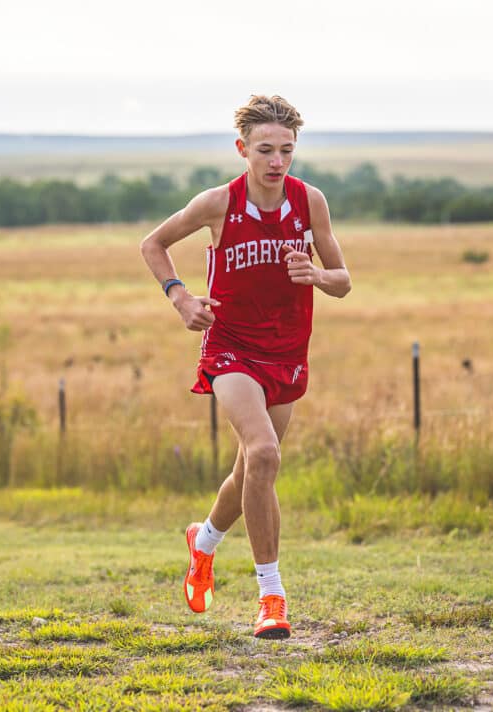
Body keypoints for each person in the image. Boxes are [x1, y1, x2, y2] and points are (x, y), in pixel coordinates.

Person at [139, 95, 351, 639]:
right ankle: (271, 598)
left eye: (286, 150)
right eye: (265, 150)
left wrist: (317, 276)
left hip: (287, 352)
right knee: (264, 452)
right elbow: (154, 244)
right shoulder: (218, 203)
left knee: (251, 471)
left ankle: (203, 541)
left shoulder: (310, 202)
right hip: (230, 347)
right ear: (242, 149)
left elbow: (343, 281)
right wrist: (181, 298)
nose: (277, 161)